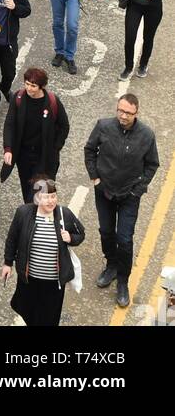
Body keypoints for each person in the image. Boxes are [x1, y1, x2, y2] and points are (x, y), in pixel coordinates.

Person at [84, 93, 160, 308]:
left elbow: (152, 165)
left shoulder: (146, 135)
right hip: (104, 191)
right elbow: (89, 150)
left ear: (136, 113)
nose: (123, 116)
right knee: (106, 231)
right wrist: (95, 178)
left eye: (128, 112)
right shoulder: (103, 126)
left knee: (124, 240)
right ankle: (111, 265)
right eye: (120, 110)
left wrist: (137, 190)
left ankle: (123, 281)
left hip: (129, 196)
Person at [2, 179, 85, 327]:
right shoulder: (23, 213)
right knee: (29, 312)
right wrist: (7, 263)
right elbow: (12, 239)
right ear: (37, 198)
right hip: (29, 279)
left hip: (53, 283)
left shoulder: (64, 214)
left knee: (49, 319)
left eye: (53, 196)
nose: (51, 201)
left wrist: (71, 238)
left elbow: (81, 233)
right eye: (46, 197)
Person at [2, 67, 70, 202]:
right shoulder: (18, 98)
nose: (29, 88)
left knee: (40, 191)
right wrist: (8, 149)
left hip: (44, 156)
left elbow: (64, 126)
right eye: (27, 84)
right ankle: (31, 216)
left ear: (42, 86)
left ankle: (35, 215)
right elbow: (9, 124)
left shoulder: (52, 102)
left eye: (33, 85)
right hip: (24, 155)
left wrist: (55, 148)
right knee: (27, 188)